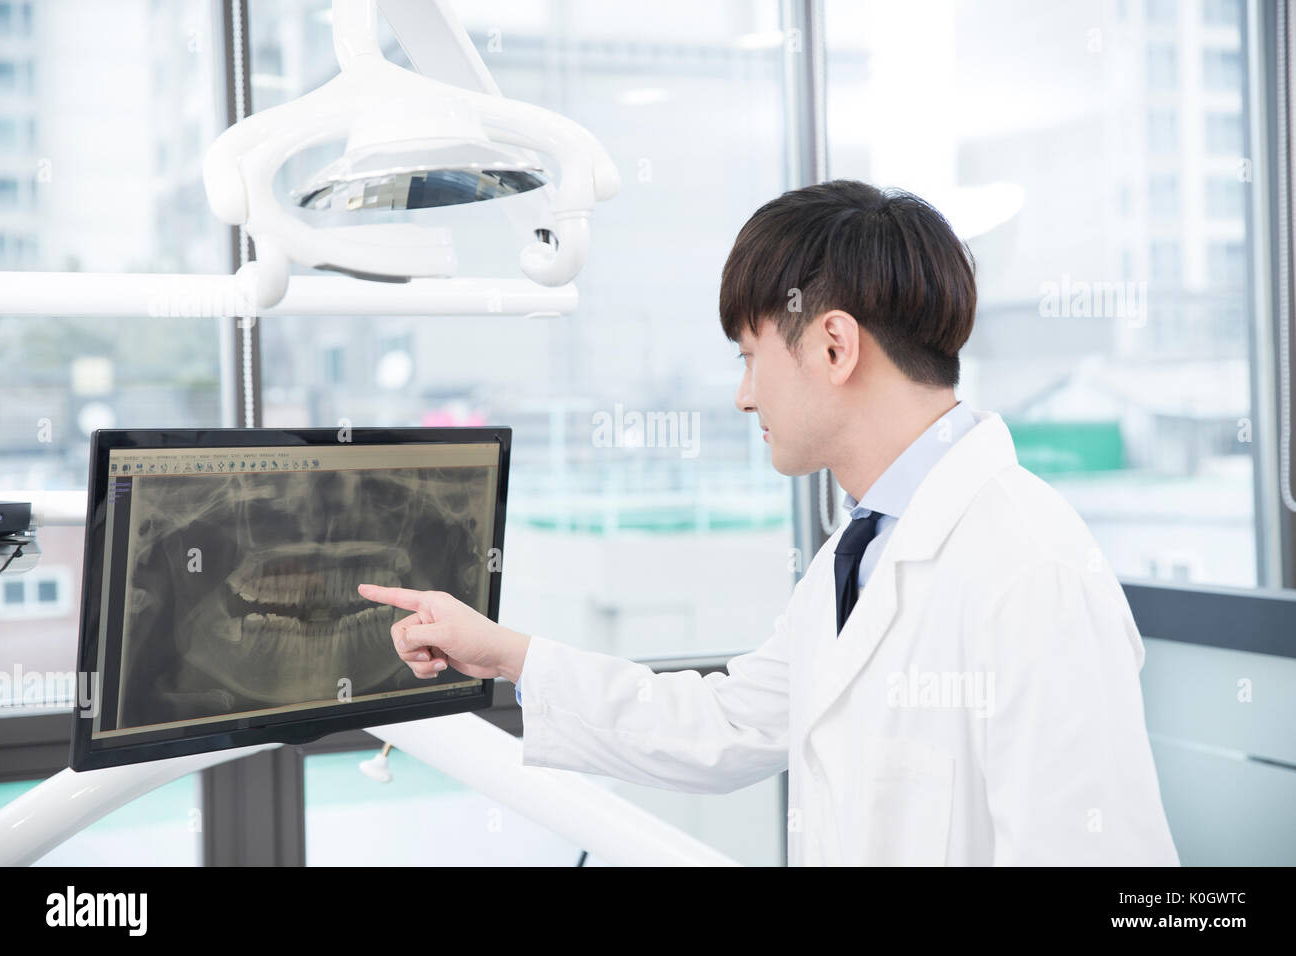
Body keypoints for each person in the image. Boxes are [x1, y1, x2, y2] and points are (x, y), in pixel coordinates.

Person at [359, 180, 1180, 866]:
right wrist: (503, 653)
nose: (744, 395)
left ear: (833, 348)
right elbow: (726, 722)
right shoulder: (863, 550)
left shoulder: (1028, 567)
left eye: (750, 356)